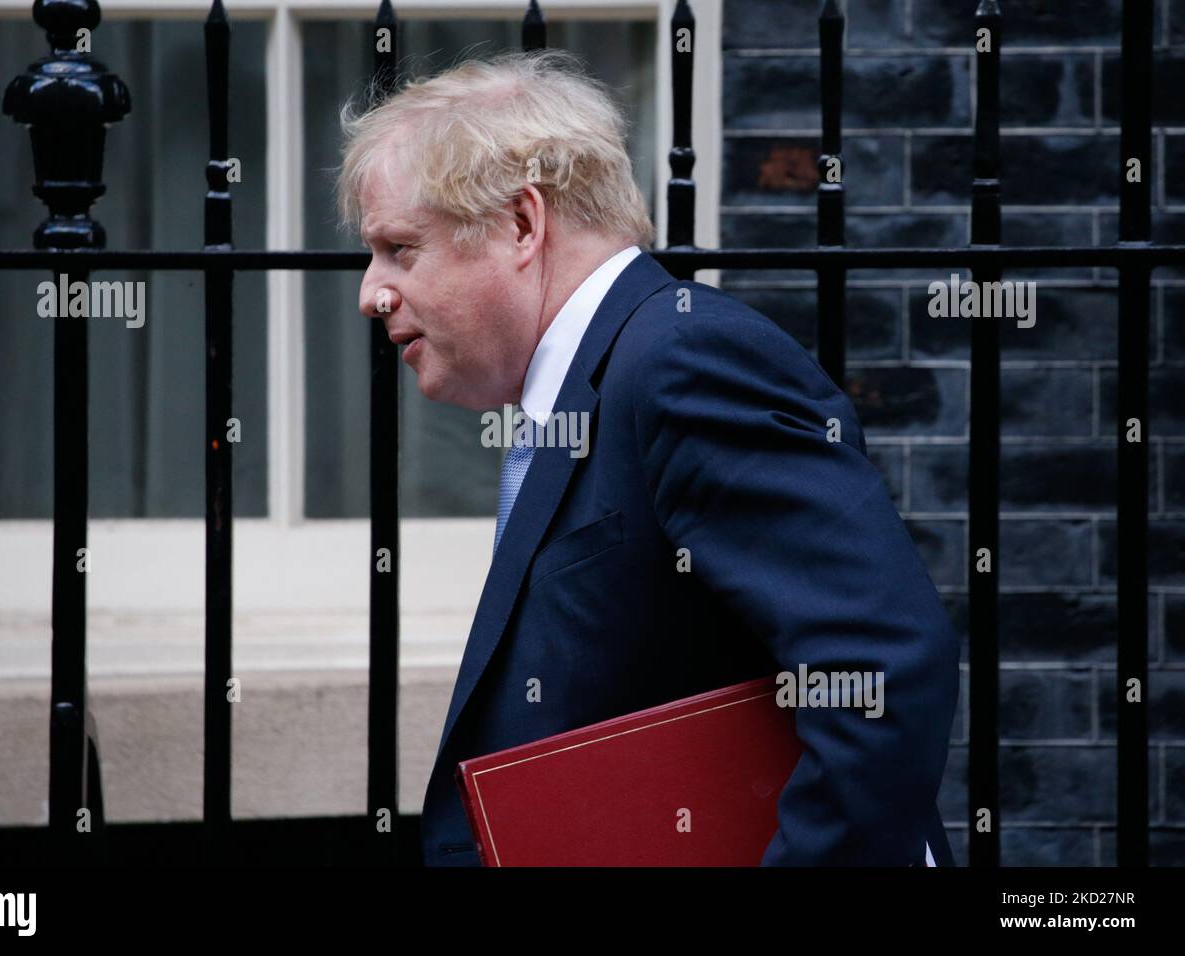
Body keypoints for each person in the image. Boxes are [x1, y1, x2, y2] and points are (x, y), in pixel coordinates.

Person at [337, 48, 959, 867]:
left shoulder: (679, 361)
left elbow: (879, 670)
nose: (370, 292)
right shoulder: (596, 377)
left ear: (522, 224)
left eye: (400, 248)